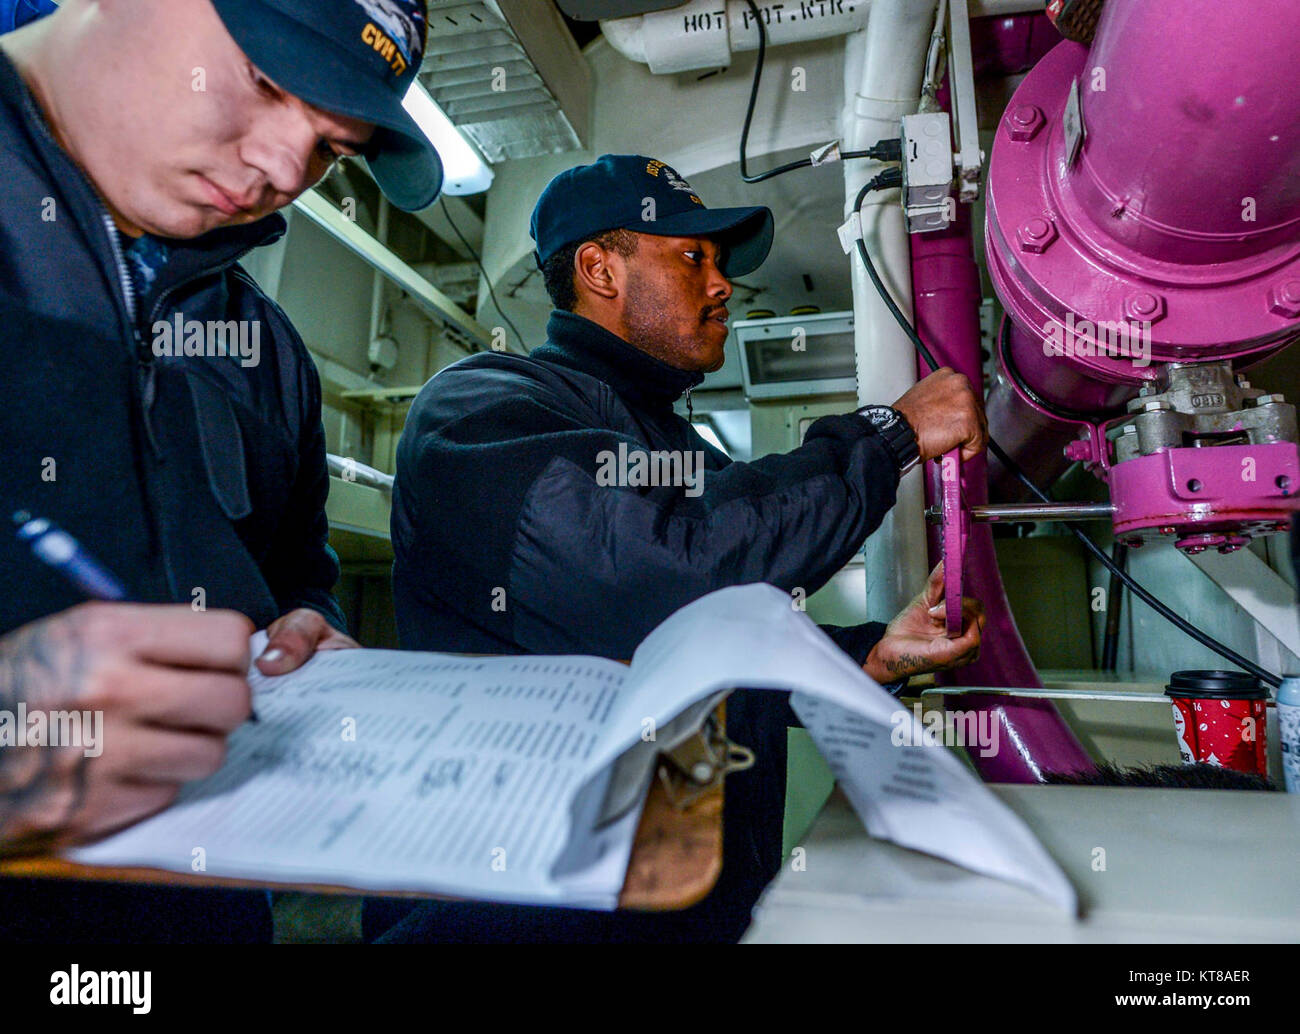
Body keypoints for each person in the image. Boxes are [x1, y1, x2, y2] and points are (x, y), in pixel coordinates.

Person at [382, 153, 989, 942]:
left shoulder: (682, 448)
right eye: (691, 256)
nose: (722, 283)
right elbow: (665, 570)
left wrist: (869, 656)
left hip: (696, 911)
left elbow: (697, 655)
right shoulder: (482, 407)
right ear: (600, 269)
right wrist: (889, 434)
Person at [0, 0, 440, 941]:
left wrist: (303, 632)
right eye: (267, 81)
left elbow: (293, 574)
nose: (289, 171)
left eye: (332, 148)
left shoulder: (265, 352)